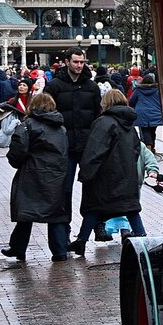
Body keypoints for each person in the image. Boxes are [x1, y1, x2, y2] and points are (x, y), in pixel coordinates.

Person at [67, 90, 147, 255]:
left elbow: (95, 150)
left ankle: (81, 241)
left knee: (93, 206)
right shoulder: (129, 124)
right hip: (126, 174)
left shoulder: (103, 122)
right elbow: (135, 149)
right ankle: (141, 235)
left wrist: (86, 172)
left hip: (104, 175)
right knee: (130, 207)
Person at [43, 47, 104, 249]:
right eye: (76, 62)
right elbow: (46, 114)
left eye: (82, 62)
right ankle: (62, 238)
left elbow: (98, 116)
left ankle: (95, 228)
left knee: (94, 189)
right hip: (64, 148)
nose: (79, 65)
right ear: (67, 62)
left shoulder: (91, 87)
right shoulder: (54, 86)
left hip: (87, 147)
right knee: (63, 192)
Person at [1, 93, 70, 263]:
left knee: (26, 212)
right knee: (56, 215)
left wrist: (17, 163)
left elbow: (18, 151)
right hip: (56, 175)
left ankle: (18, 248)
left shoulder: (28, 125)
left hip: (32, 174)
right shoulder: (60, 128)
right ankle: (60, 250)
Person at [129, 74, 163, 151]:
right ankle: (151, 146)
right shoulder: (157, 90)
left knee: (145, 130)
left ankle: (148, 146)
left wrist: (134, 107)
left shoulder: (138, 90)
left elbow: (131, 101)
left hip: (142, 112)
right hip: (155, 112)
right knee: (152, 130)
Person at [0, 81, 29, 148]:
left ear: (29, 88)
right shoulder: (13, 100)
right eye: (20, 85)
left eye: (24, 85)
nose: (21, 87)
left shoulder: (33, 100)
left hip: (27, 128)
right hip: (15, 129)